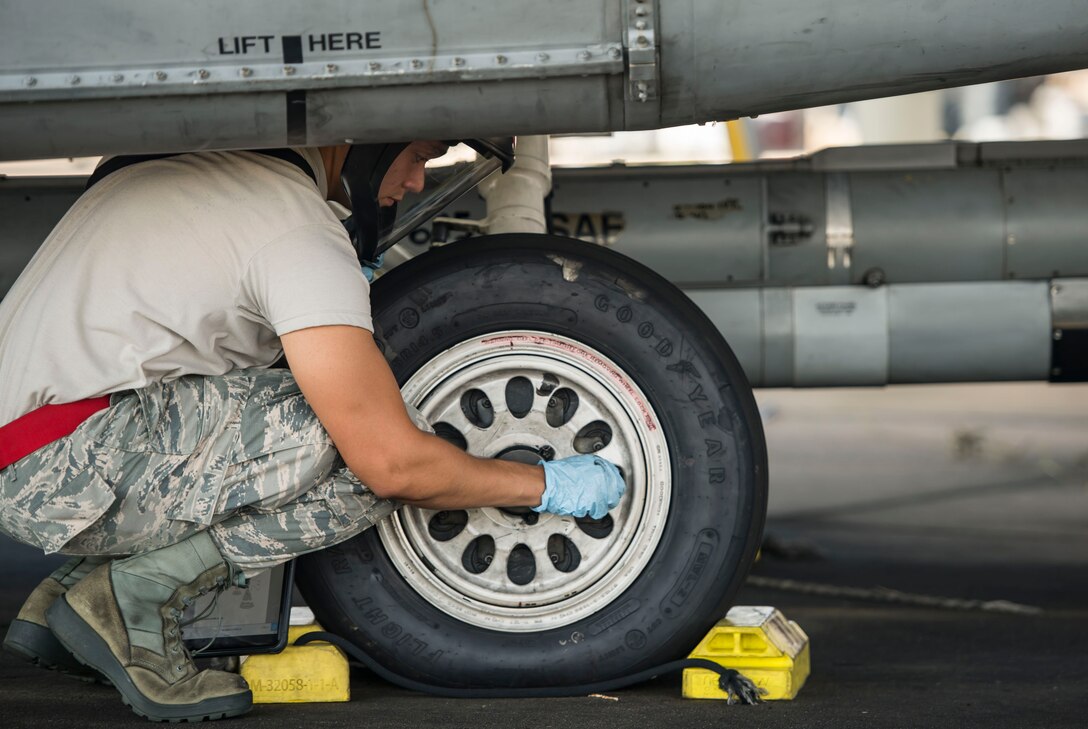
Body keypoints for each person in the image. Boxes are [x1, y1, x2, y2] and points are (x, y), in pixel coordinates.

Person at [0, 141, 625, 721]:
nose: (414, 181)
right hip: (61, 459)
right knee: (374, 442)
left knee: (288, 414)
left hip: (41, 451)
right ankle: (135, 592)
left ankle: (66, 600)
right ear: (367, 141)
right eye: (416, 155)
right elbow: (393, 464)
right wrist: (541, 484)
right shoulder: (294, 227)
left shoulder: (213, 175)